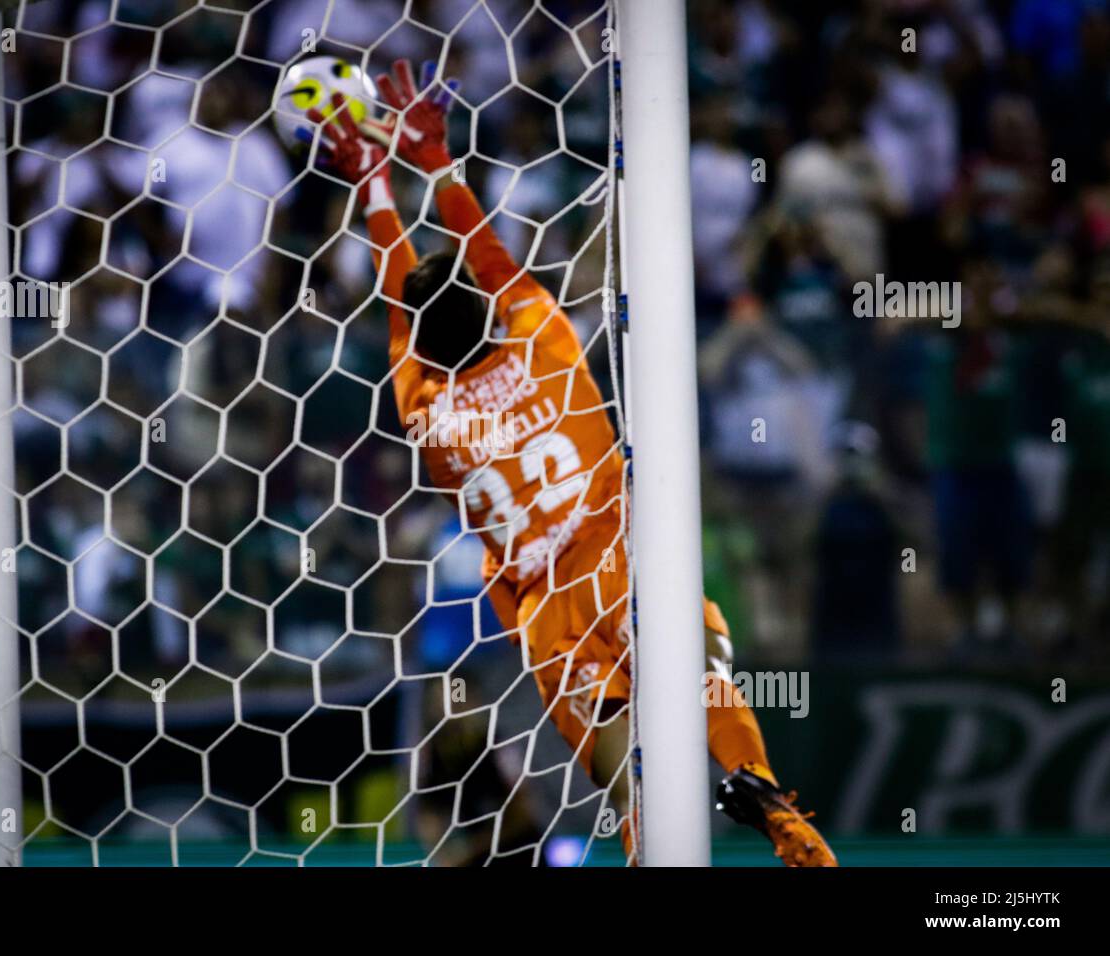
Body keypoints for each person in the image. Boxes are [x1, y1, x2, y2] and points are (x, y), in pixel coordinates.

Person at [305, 59, 836, 866]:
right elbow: (487, 260)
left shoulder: (426, 413)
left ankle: (642, 834)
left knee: (620, 748)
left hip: (545, 600)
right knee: (699, 672)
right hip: (618, 555)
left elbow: (397, 298)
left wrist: (370, 183)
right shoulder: (545, 342)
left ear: (424, 344)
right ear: (490, 309)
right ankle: (756, 782)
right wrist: (434, 159)